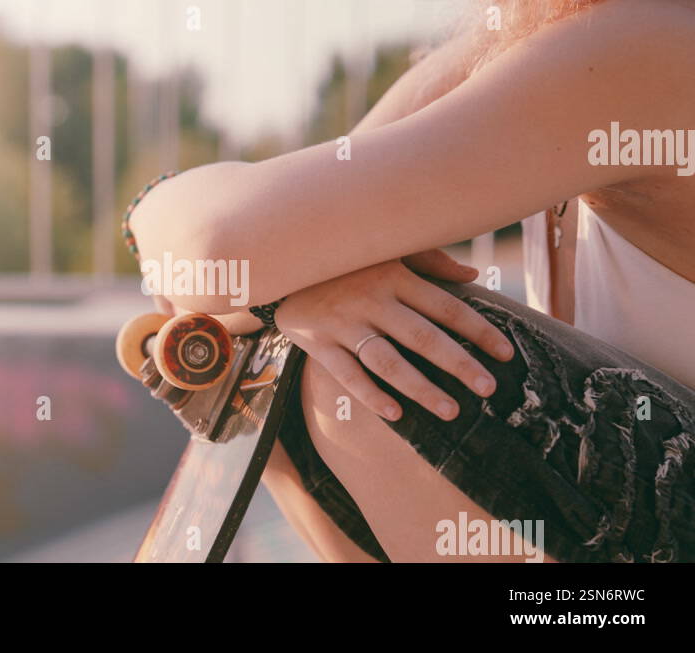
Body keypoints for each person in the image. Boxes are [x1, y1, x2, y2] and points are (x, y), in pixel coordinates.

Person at [126, 0, 695, 562]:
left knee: (372, 353)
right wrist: (300, 289)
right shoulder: (536, 29)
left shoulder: (648, 39)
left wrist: (150, 206)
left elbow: (225, 246)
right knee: (323, 336)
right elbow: (275, 243)